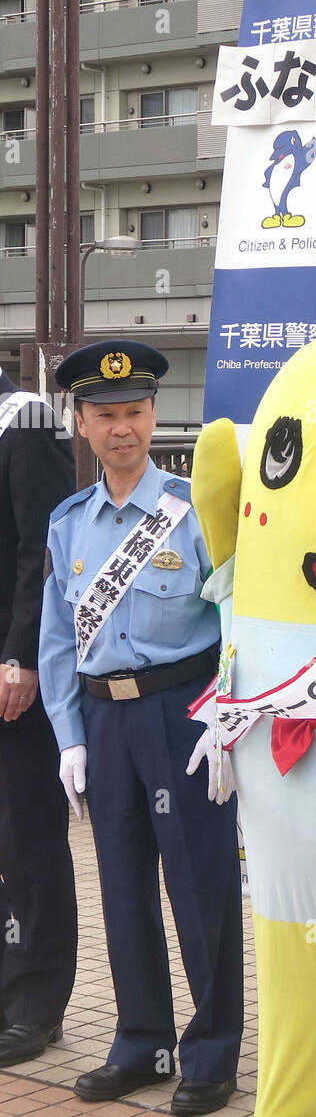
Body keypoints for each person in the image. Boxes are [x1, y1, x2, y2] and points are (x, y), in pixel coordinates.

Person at [38, 340, 243, 1115]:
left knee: (203, 889)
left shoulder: (192, 512)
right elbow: (58, 639)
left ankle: (212, 1052)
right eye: (105, 415)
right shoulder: (70, 524)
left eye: (135, 412)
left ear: (153, 415)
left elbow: (235, 617)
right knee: (121, 888)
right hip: (103, 718)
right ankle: (142, 1044)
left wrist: (225, 711)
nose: (122, 428)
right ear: (81, 423)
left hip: (181, 711)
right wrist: (70, 737)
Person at [0, 366, 78, 1066]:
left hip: (10, 676)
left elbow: (44, 550)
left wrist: (22, 655)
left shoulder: (24, 418)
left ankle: (36, 1004)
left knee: (27, 840)